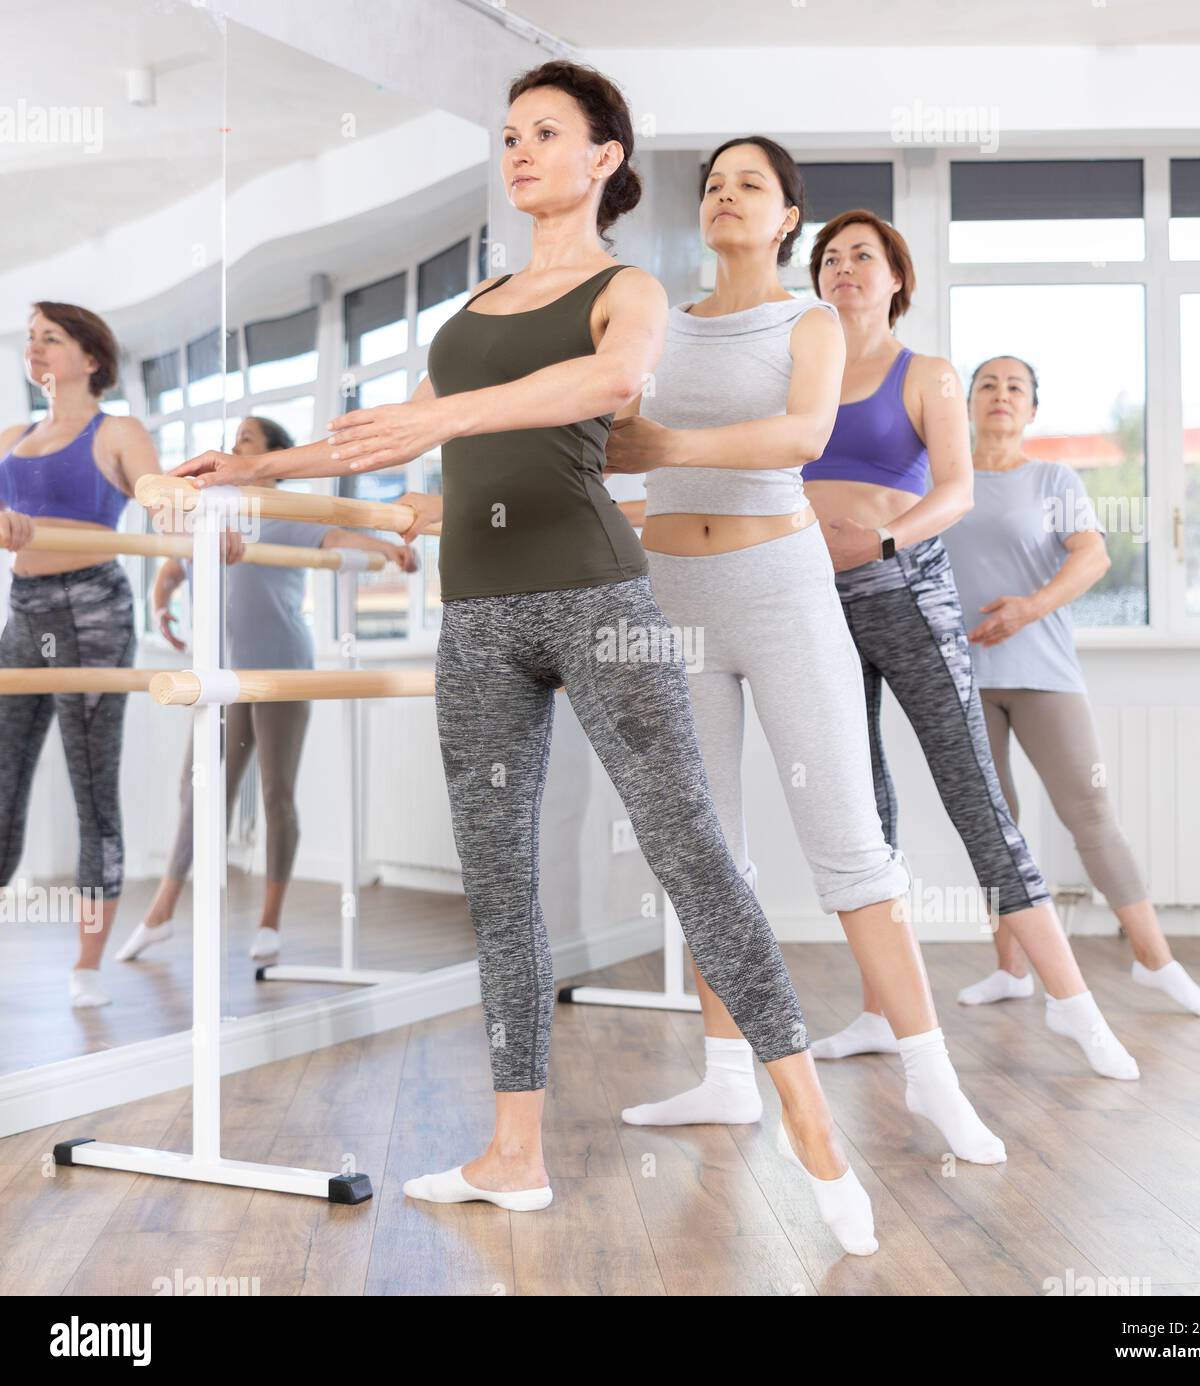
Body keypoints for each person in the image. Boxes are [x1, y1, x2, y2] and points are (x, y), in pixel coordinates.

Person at [170, 62, 885, 1255]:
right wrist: (250, 470)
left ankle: (813, 1129)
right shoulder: (468, 314)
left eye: (546, 133)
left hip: (602, 596)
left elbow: (610, 385)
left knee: (693, 854)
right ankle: (514, 1154)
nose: (519, 151)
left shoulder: (628, 288)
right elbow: (376, 438)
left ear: (603, 159)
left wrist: (444, 422)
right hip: (482, 617)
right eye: (508, 134)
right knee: (498, 892)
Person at [604, 135, 1004, 1164]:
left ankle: (930, 1076)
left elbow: (797, 435)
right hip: (672, 596)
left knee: (847, 841)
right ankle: (727, 1078)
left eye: (751, 185)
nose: (725, 196)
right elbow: (605, 446)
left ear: (787, 217)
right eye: (713, 184)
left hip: (779, 590)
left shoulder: (811, 320)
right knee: (702, 851)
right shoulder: (659, 328)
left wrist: (670, 448)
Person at [798, 214, 1139, 1081]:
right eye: (830, 259)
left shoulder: (930, 375)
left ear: (896, 278)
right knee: (862, 806)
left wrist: (879, 544)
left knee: (974, 797)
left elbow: (955, 491)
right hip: (811, 604)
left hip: (904, 592)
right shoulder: (801, 370)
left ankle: (1074, 1006)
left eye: (862, 257)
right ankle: (881, 1013)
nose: (844, 269)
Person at [944, 355, 1200, 1018]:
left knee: (1092, 818)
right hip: (962, 678)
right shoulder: (943, 479)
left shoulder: (1051, 479)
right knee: (992, 827)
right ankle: (1010, 969)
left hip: (1042, 673)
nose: (1001, 396)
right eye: (987, 385)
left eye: (1016, 388)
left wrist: (1026, 610)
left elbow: (1091, 556)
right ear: (967, 404)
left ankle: (1156, 960)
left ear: (1033, 409)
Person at [116, 415, 417, 965]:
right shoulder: (216, 513)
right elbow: (172, 569)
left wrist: (389, 548)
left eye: (247, 442)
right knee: (200, 792)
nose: (235, 451)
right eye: (233, 443)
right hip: (220, 678)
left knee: (277, 794)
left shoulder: (286, 511)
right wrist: (161, 605)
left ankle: (270, 921)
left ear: (277, 457)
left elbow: (339, 534)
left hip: (280, 669)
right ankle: (161, 910)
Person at [0, 303, 160, 1007]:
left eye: (51, 337)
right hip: (25, 613)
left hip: (94, 611)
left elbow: (164, 501)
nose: (34, 348)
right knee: (4, 779)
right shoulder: (11, 437)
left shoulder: (116, 430)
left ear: (91, 359)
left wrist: (206, 525)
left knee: (92, 784)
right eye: (29, 339)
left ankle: (87, 965)